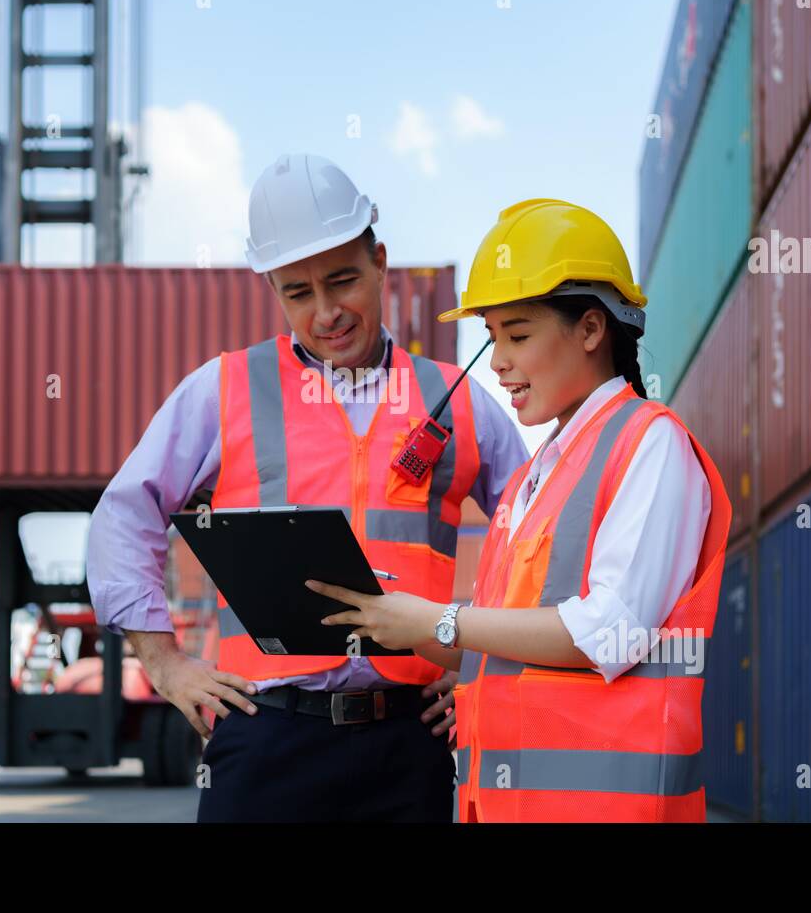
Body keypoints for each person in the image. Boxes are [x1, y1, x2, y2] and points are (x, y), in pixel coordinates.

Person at [86, 154, 529, 822]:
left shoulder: (456, 399)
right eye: (298, 292)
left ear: (380, 259)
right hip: (264, 738)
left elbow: (536, 539)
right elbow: (125, 514)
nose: (326, 312)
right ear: (273, 289)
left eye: (343, 279)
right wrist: (166, 663)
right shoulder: (226, 388)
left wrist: (483, 668)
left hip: (409, 745)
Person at [305, 198, 733, 822]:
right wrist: (388, 620)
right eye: (492, 338)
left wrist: (440, 621)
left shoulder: (651, 442)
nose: (498, 361)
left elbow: (608, 633)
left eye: (519, 334)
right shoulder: (542, 473)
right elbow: (509, 647)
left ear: (591, 329)